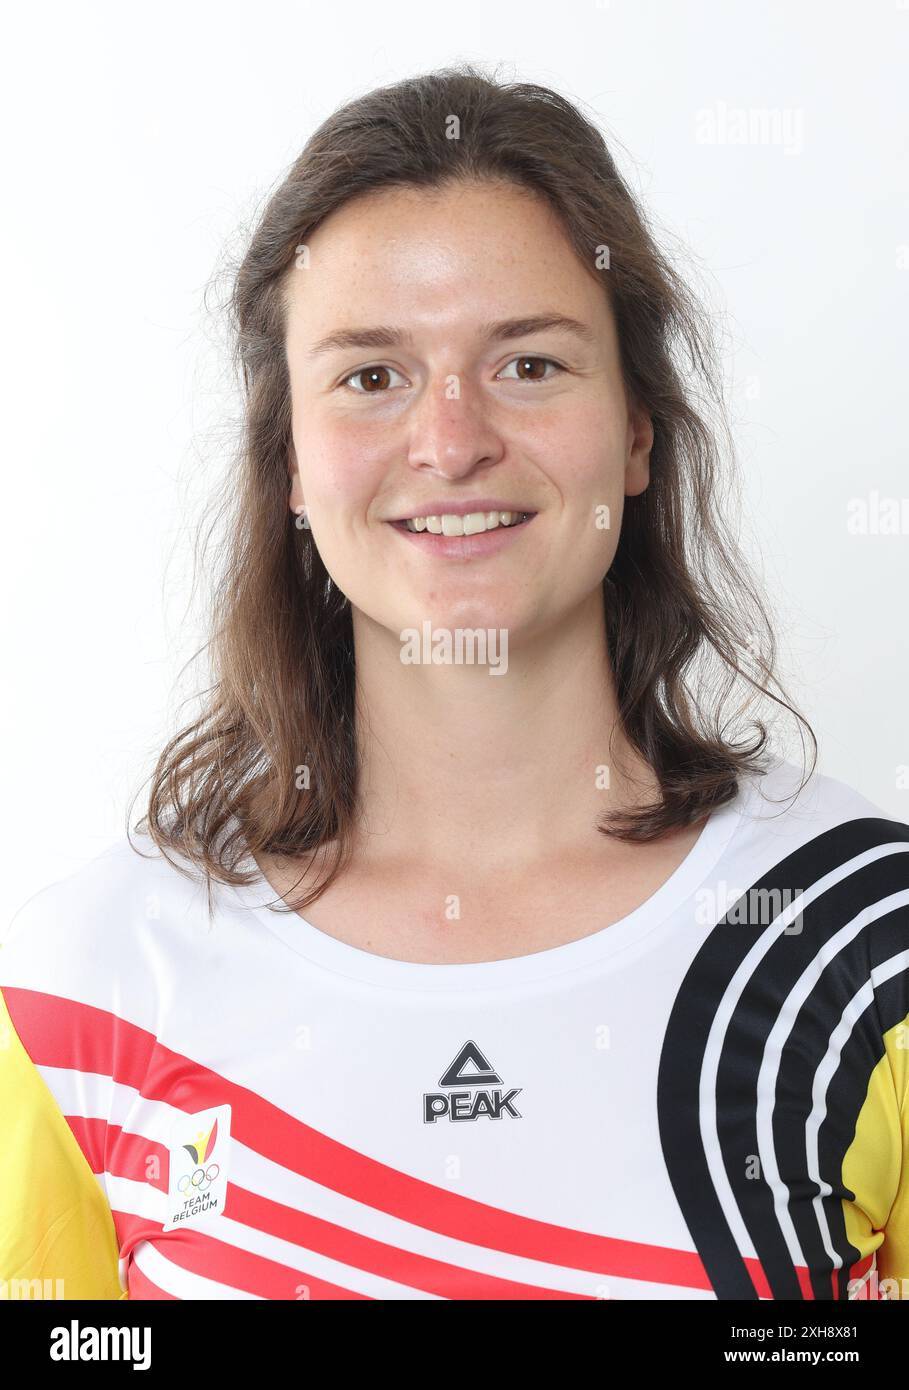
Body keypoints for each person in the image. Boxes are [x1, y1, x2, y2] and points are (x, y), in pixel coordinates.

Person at [1, 64, 907, 1303]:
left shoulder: (866, 938)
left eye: (529, 364)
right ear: (292, 471)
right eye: (371, 375)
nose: (452, 437)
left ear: (637, 430)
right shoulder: (74, 985)